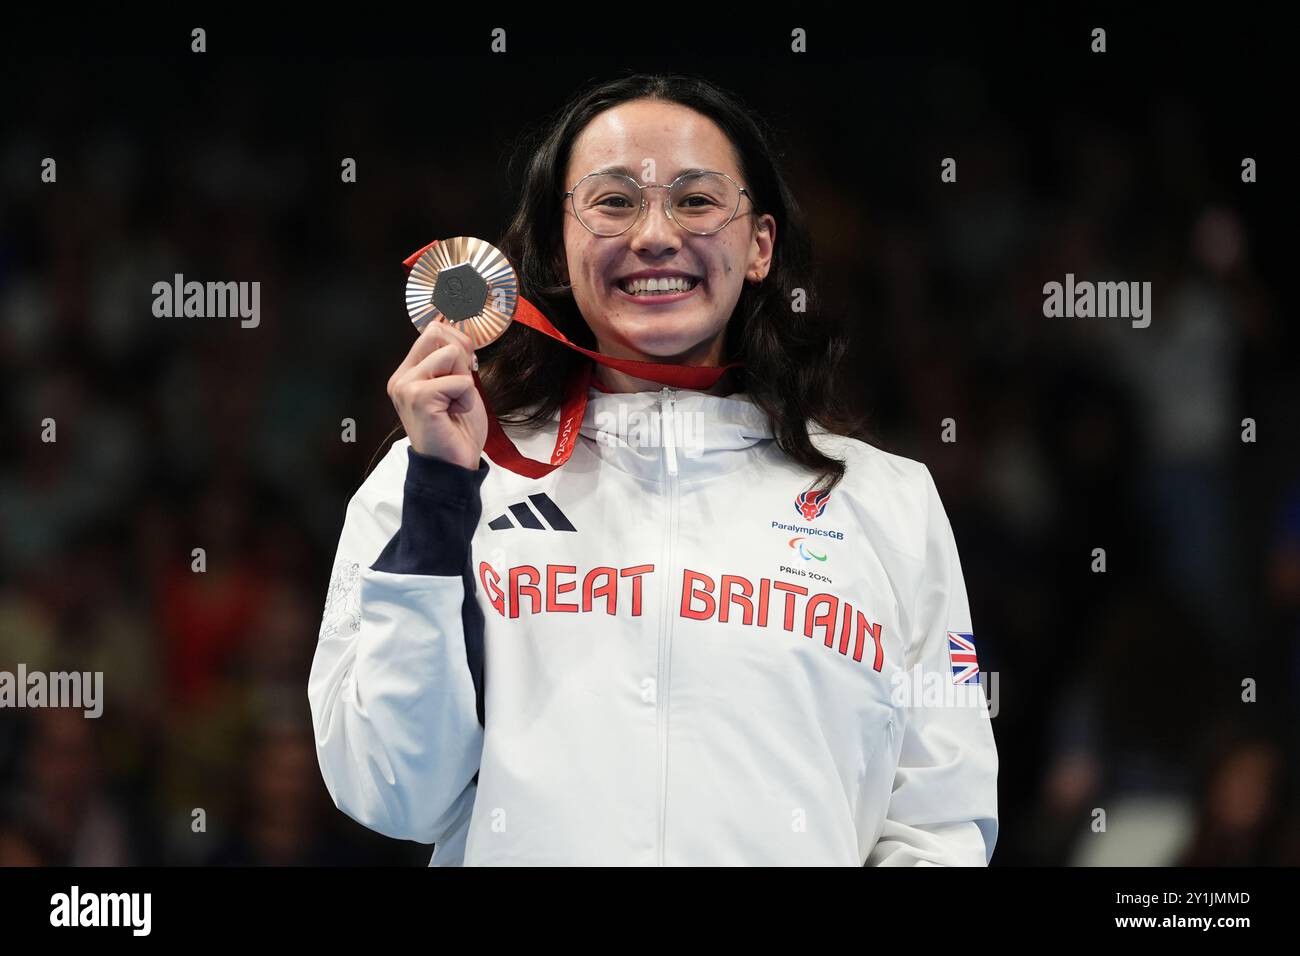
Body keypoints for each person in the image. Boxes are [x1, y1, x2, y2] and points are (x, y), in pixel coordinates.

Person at [307, 73, 998, 866]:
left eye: (698, 201)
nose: (657, 235)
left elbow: (939, 823)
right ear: (556, 251)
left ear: (761, 244)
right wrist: (437, 500)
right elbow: (394, 792)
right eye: (613, 202)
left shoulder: (889, 500)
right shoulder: (438, 475)